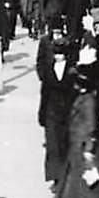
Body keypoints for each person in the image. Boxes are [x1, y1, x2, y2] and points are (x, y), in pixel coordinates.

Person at [48, 49, 99, 198]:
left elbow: (90, 125)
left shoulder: (87, 101)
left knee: (82, 180)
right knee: (80, 180)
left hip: (83, 144)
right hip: (77, 142)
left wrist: (89, 147)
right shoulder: (84, 97)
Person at [37, 25, 74, 188]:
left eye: (61, 54)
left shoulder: (71, 71)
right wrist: (42, 114)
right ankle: (55, 178)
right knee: (53, 146)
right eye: (56, 54)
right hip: (51, 112)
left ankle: (65, 177)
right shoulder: (48, 70)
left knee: (64, 145)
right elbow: (44, 93)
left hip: (66, 113)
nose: (58, 57)